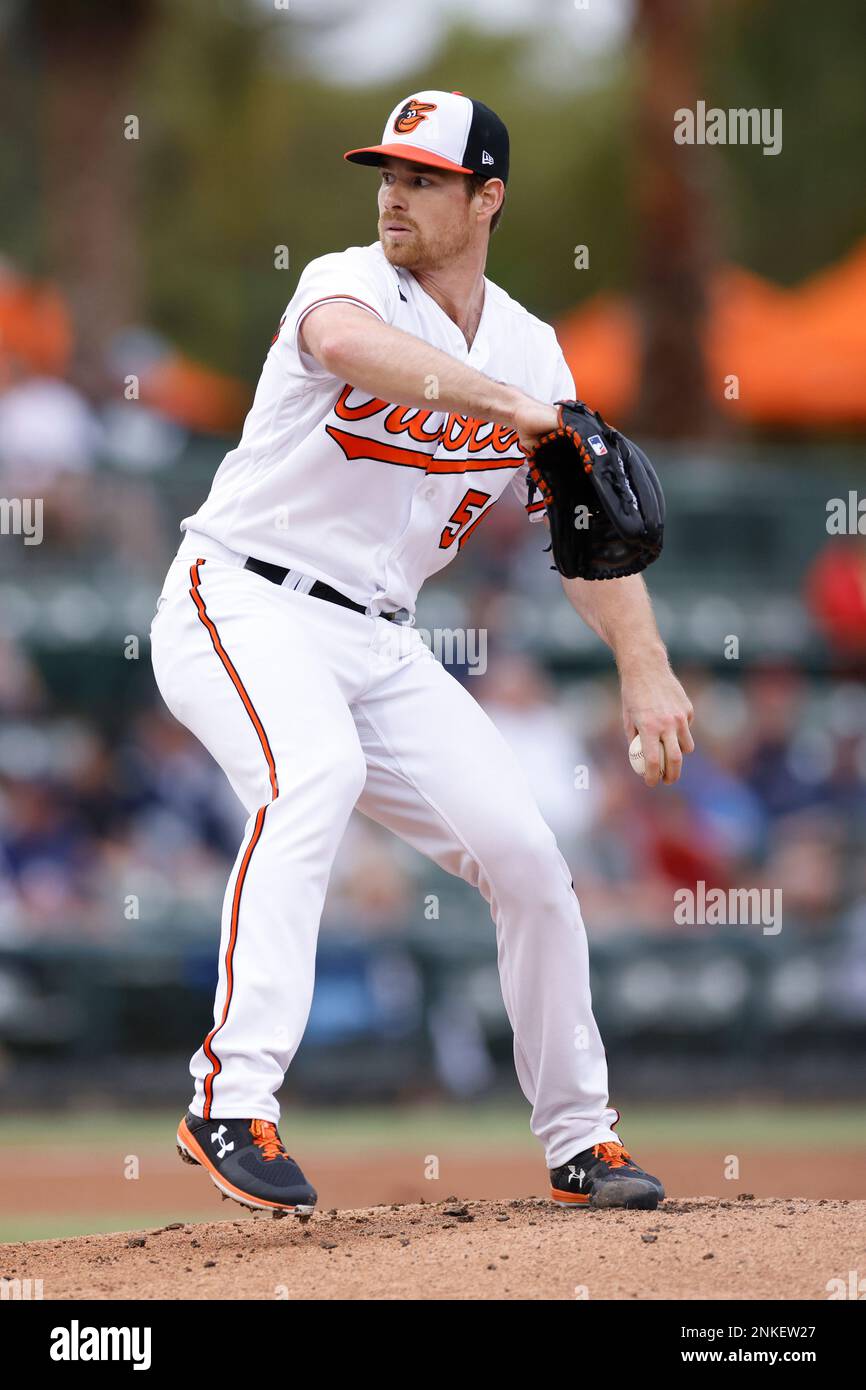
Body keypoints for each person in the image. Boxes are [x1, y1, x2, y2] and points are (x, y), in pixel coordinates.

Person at [150, 90, 694, 1215]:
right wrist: (525, 410)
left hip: (380, 640)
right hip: (242, 596)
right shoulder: (343, 283)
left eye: (425, 178)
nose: (393, 192)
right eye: (386, 173)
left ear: (485, 198)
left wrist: (645, 665)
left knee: (529, 860)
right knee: (314, 777)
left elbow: (586, 542)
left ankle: (579, 1143)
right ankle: (230, 1095)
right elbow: (354, 350)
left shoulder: (531, 348)